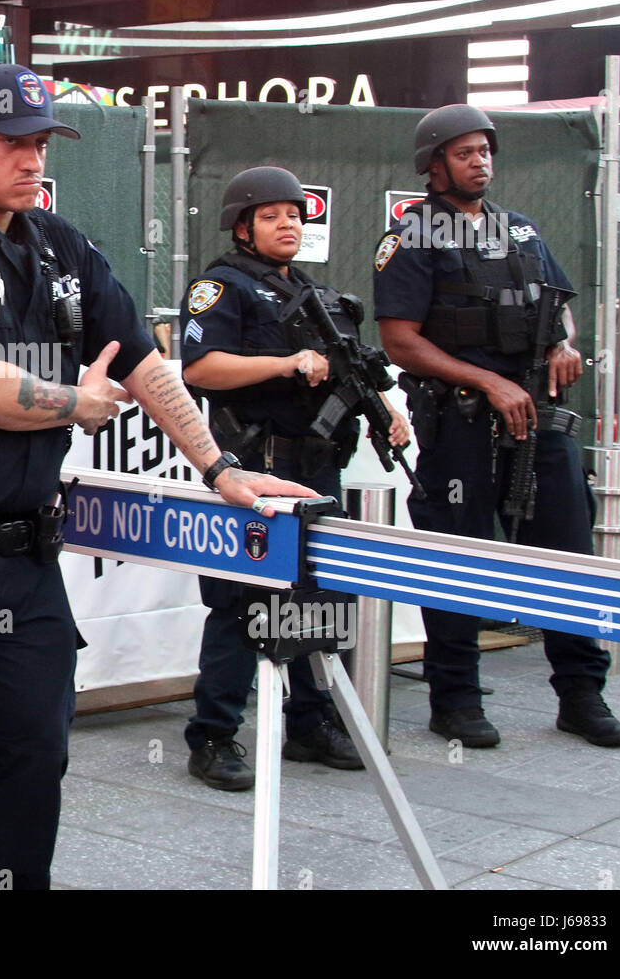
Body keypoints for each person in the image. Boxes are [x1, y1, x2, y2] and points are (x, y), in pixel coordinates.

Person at [0, 64, 315, 889]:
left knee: (29, 767)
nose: (31, 159)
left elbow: (151, 364)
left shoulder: (63, 247)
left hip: (21, 564)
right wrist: (73, 405)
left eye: (42, 143)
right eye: (11, 141)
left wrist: (220, 468)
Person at [373, 104, 620, 749]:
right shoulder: (410, 237)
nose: (479, 160)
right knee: (455, 558)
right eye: (463, 152)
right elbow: (400, 342)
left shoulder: (521, 232)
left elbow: (561, 313)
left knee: (568, 554)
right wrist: (487, 381)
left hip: (537, 420)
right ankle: (455, 700)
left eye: (484, 150)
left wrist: (560, 347)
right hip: (460, 422)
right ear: (434, 166)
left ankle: (582, 695)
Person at [179, 166, 409, 789]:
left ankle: (308, 720)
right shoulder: (220, 288)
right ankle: (213, 735)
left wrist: (383, 411)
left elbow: (347, 371)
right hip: (257, 468)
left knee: (313, 599)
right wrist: (286, 363)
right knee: (240, 603)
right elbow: (199, 368)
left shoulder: (314, 292)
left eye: (296, 215)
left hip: (318, 466)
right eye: (273, 215)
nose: (289, 224)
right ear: (243, 225)